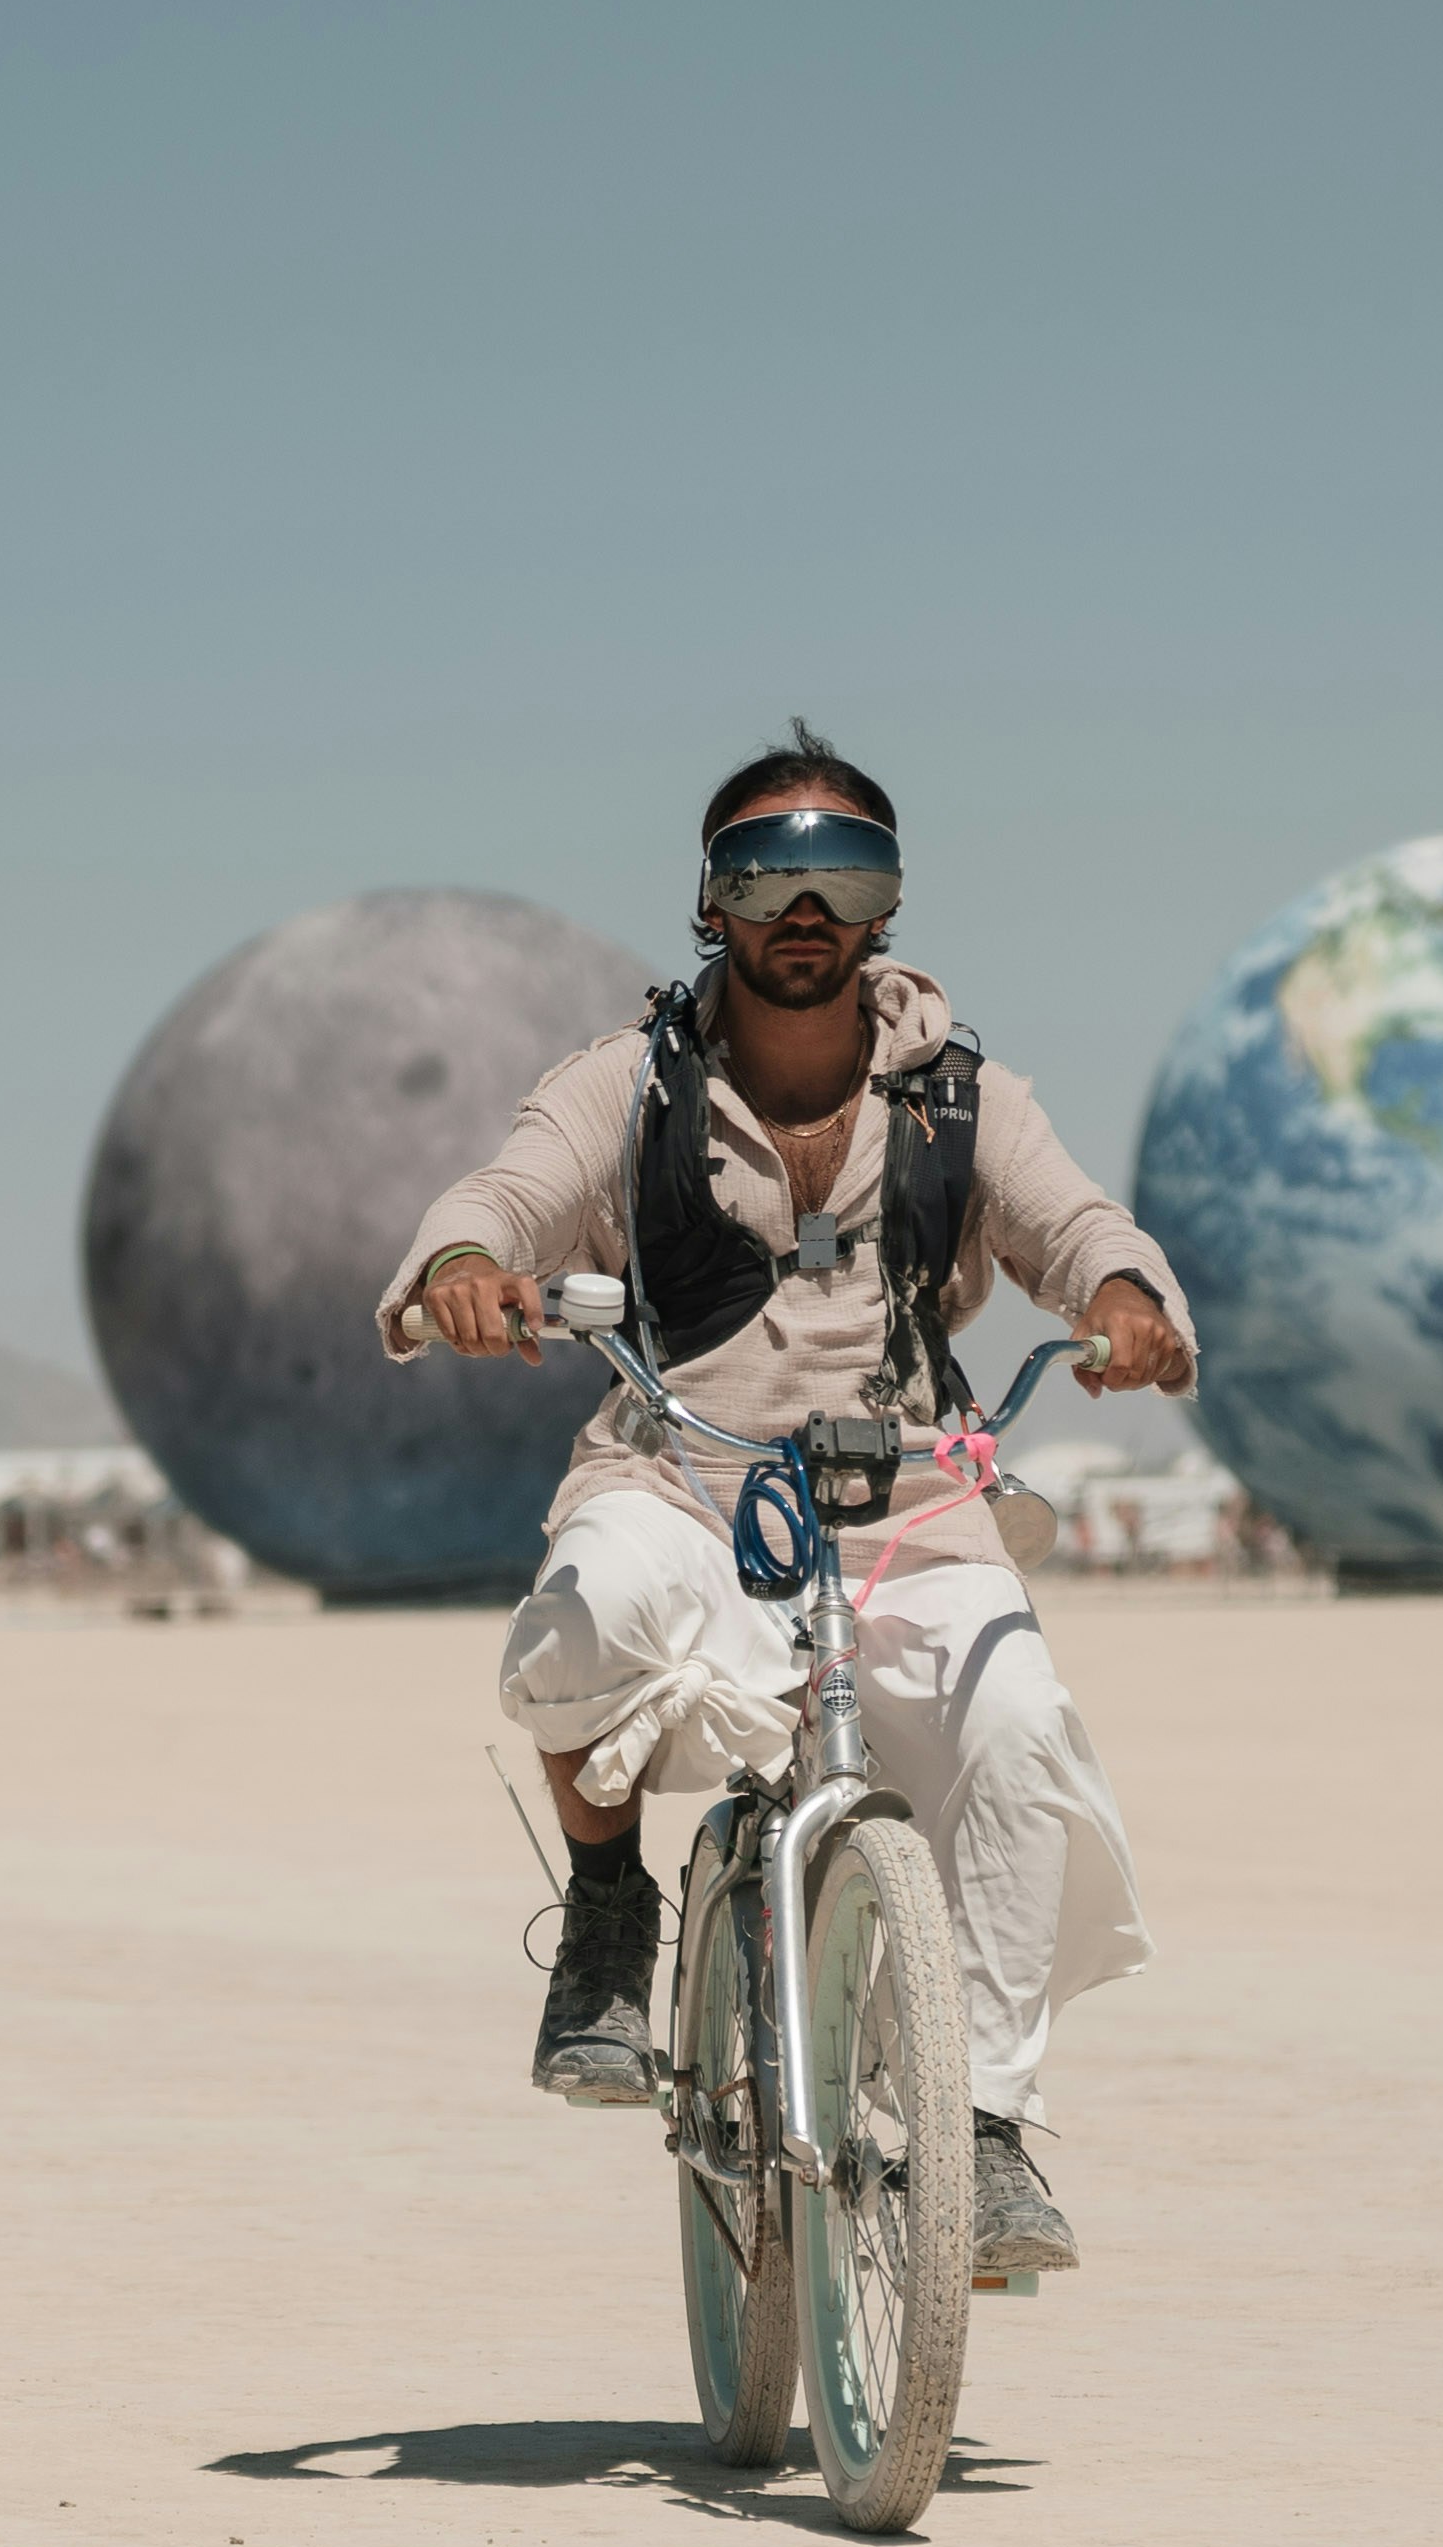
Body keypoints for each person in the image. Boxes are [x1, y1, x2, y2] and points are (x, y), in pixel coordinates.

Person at [389, 729, 1198, 2280]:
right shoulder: (625, 1087)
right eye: (769, 873)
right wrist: (461, 1271)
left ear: (888, 908)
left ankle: (991, 2127)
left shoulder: (969, 1098)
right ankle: (614, 1912)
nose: (807, 905)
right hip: (686, 1478)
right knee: (580, 1621)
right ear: (714, 905)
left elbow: (1077, 1223)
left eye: (847, 872)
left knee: (1020, 1726)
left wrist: (1125, 1297)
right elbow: (496, 1198)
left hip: (906, 1498)